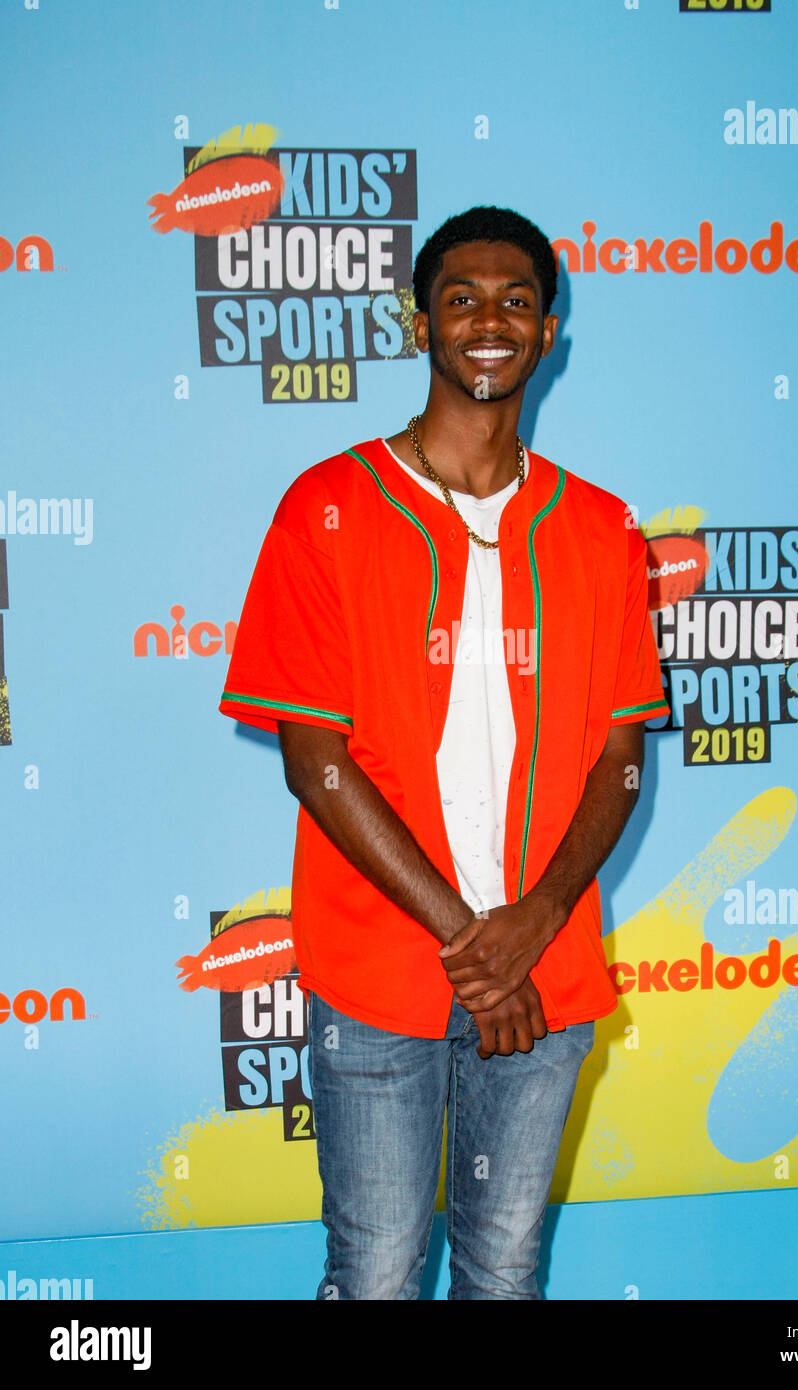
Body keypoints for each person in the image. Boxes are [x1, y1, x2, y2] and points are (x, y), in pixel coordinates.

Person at [220, 205, 669, 1300]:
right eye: (459, 297)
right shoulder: (324, 508)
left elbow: (619, 757)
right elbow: (314, 760)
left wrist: (530, 926)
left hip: (544, 973)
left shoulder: (602, 529)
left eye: (515, 299)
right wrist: (473, 942)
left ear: (548, 330)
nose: (488, 320)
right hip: (379, 970)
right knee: (374, 1271)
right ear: (417, 322)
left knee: (505, 1270)